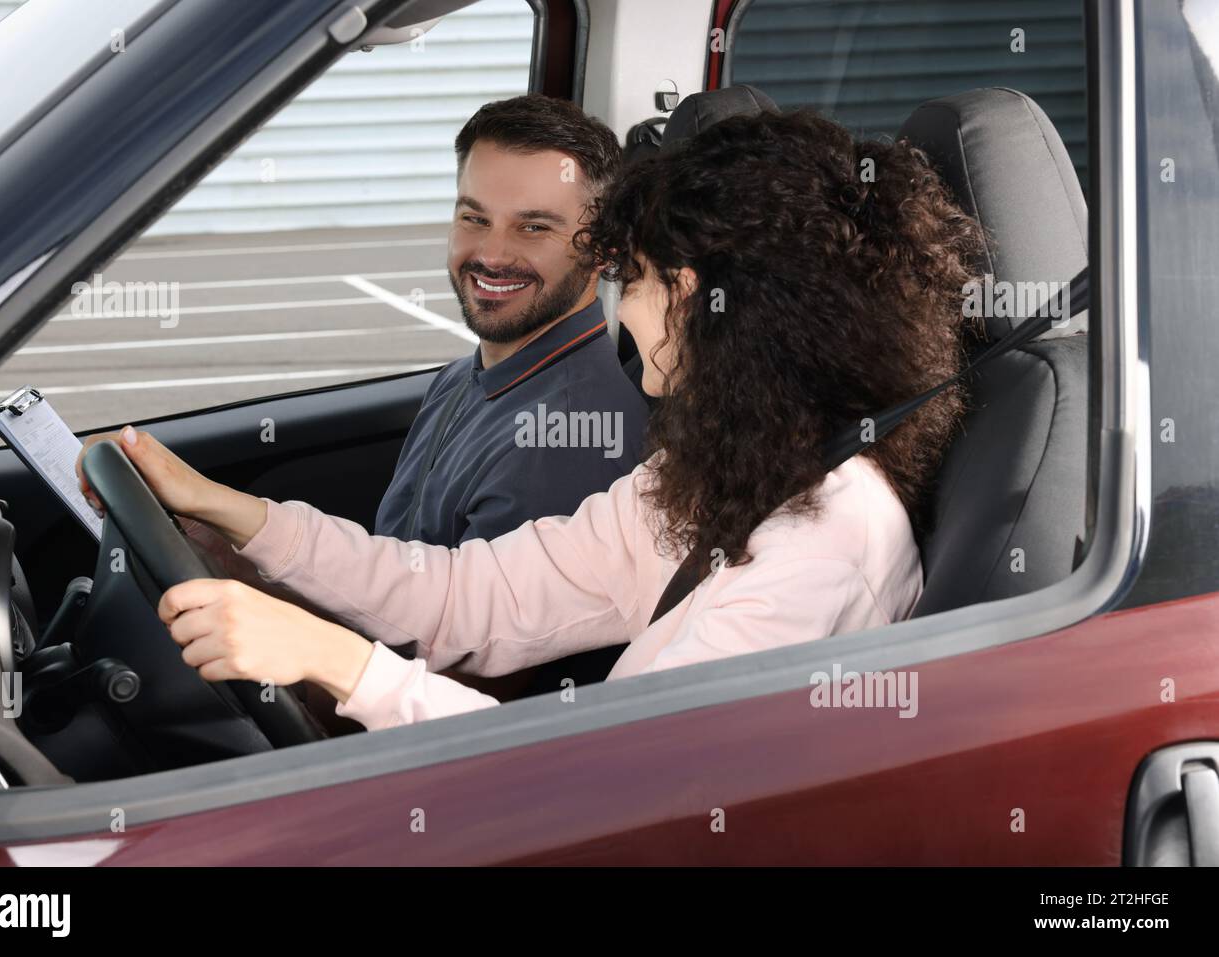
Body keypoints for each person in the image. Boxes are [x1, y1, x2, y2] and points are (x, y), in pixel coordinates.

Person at [77, 108, 985, 732]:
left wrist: (345, 667)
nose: (622, 314)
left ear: (715, 306)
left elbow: (614, 786)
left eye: (640, 282)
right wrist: (243, 516)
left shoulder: (820, 551)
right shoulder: (735, 474)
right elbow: (473, 595)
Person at [374, 94, 649, 548]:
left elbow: (462, 620)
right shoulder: (462, 377)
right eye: (474, 218)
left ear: (602, 250)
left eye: (534, 227)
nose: (491, 255)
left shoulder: (568, 440)